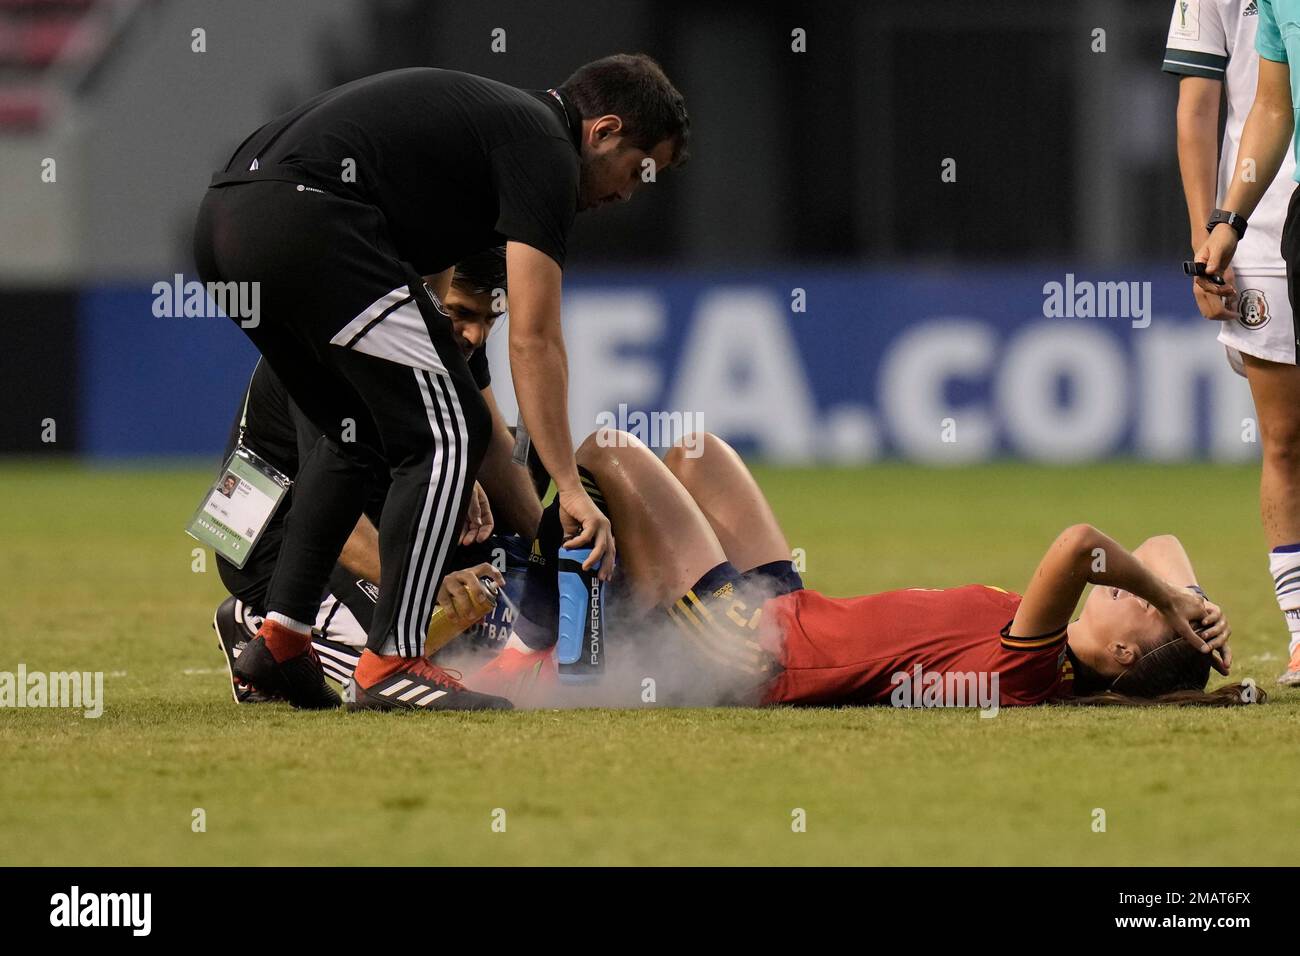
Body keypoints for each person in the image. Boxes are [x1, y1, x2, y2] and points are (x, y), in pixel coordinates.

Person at [192, 56, 689, 710]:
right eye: (637, 171)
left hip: (226, 222)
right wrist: (567, 485)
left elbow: (425, 307)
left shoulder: (460, 161)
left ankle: (282, 640)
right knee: (444, 433)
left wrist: (534, 535)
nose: (627, 195)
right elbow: (536, 337)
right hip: (302, 224)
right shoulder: (544, 147)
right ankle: (391, 663)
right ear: (601, 131)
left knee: (358, 438)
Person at [475, 431, 1258, 710]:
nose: (1136, 590)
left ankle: (541, 647)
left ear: (1122, 657)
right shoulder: (1061, 653)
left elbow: (1081, 544)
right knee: (695, 451)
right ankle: (625, 607)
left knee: (602, 454)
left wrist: (1167, 597)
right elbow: (1158, 541)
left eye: (1144, 613)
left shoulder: (1033, 670)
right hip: (789, 610)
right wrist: (1189, 601)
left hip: (748, 651)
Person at [210, 251, 540, 703]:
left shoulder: (441, 333)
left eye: (489, 318)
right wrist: (421, 586)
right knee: (425, 657)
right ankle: (255, 625)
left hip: (366, 509)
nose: (475, 334)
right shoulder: (328, 344)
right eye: (461, 312)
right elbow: (324, 503)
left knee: (527, 451)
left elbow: (498, 453)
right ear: (427, 291)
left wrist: (549, 550)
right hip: (274, 541)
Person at [1166, 0, 1300, 688]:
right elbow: (1200, 106)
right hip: (1264, 226)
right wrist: (1210, 232)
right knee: (1285, 439)